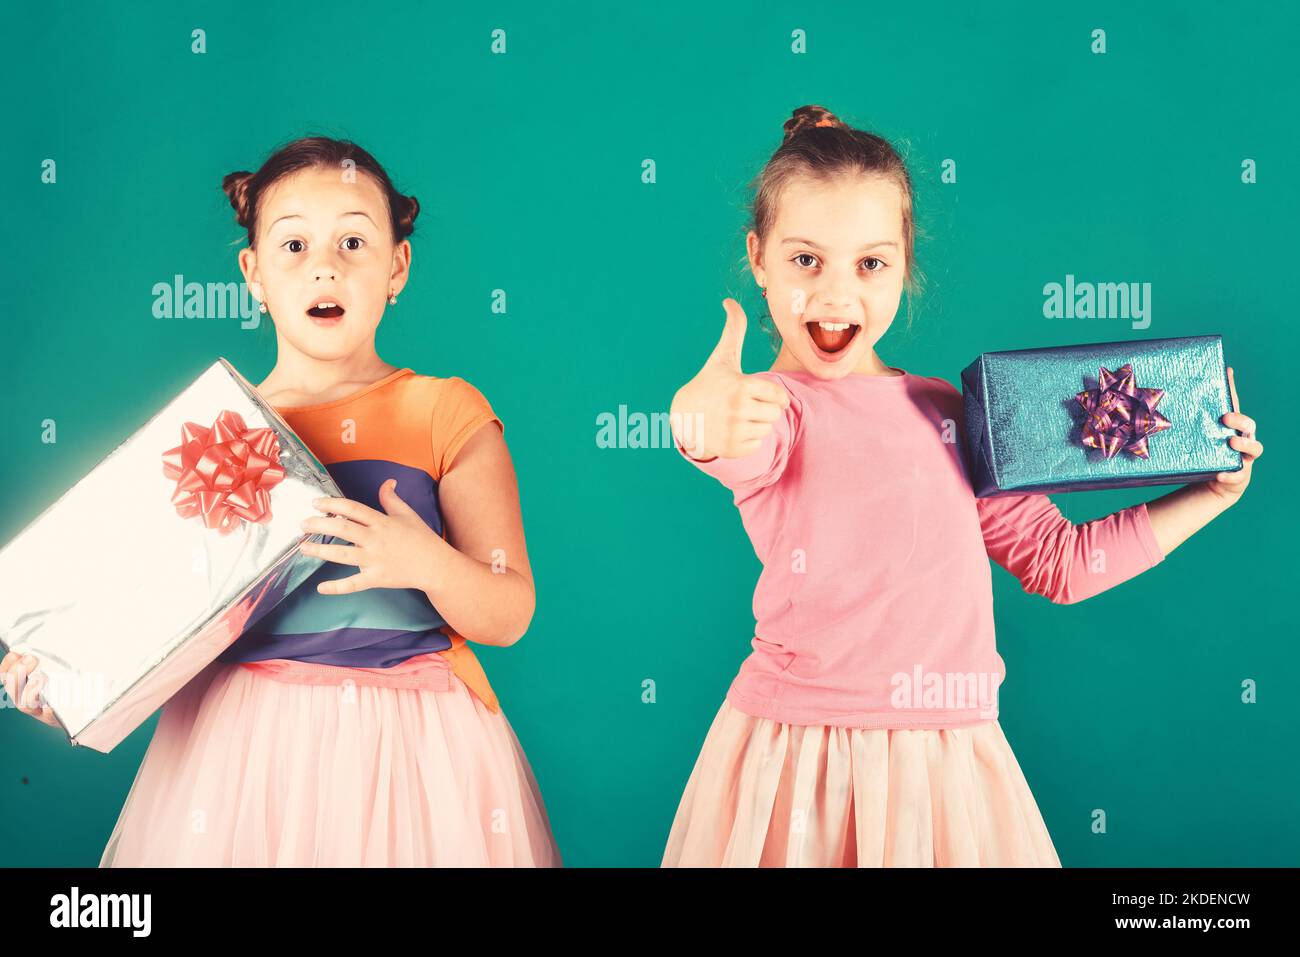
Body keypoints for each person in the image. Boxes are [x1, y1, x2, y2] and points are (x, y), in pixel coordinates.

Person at [659, 105, 1263, 867]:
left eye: (869, 263)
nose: (837, 294)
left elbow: (1062, 564)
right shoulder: (773, 410)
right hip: (804, 760)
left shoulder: (953, 413)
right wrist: (699, 415)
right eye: (806, 260)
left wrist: (1209, 495)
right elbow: (725, 441)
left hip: (947, 766)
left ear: (905, 261)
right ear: (758, 258)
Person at [3, 135, 561, 866]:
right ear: (253, 273)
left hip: (418, 752)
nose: (324, 264)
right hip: (242, 752)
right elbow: (155, 625)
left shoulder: (444, 410)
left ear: (398, 266)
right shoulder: (212, 434)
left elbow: (509, 609)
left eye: (353, 241)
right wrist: (67, 683)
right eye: (293, 244)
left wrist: (424, 561)